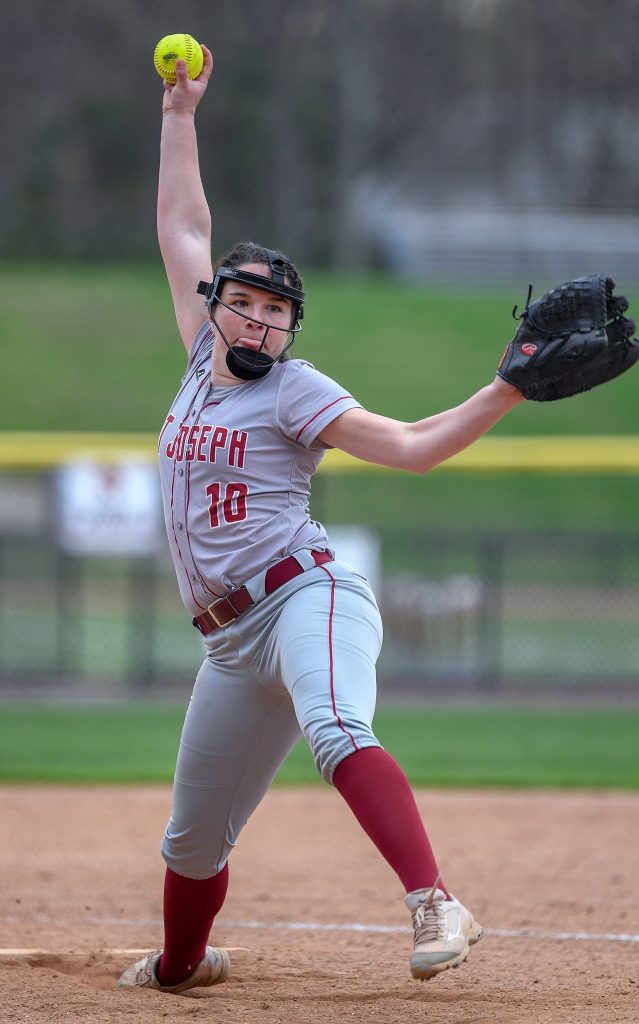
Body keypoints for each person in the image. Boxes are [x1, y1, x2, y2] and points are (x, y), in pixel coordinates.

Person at [117, 45, 524, 995]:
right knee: (190, 840)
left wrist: (503, 388)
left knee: (338, 727)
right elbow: (183, 223)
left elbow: (414, 445)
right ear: (215, 308)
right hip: (225, 644)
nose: (258, 323)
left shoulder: (296, 392)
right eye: (244, 303)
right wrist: (179, 117)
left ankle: (434, 901)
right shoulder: (194, 362)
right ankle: (183, 966)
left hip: (307, 599)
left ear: (291, 330)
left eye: (276, 312)